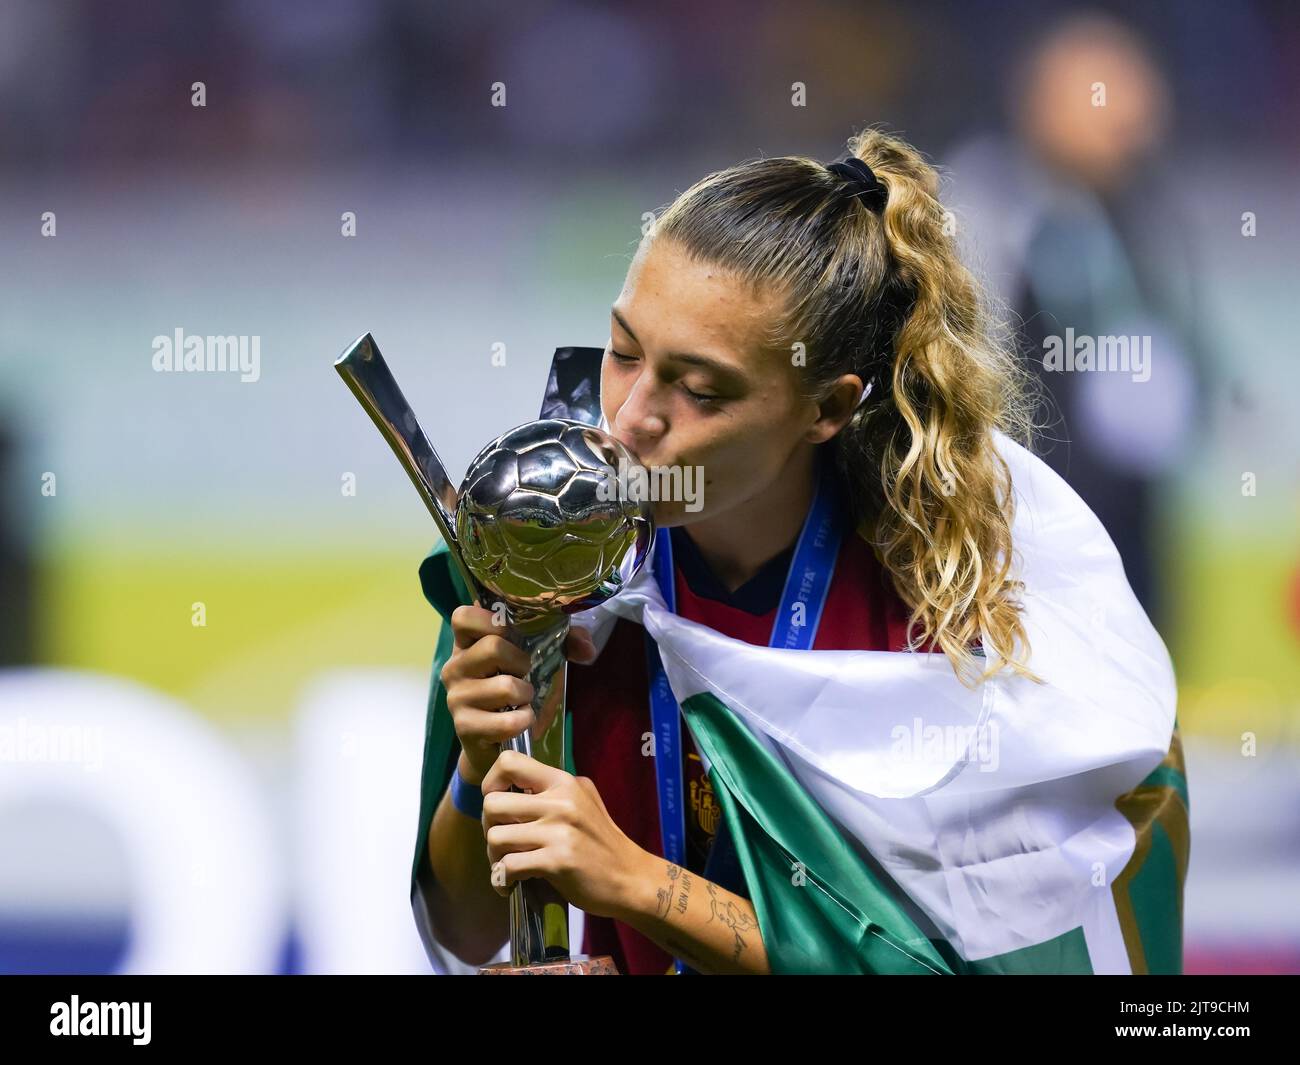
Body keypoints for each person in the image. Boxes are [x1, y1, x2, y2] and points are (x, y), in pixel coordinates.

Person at [409, 126, 1188, 975]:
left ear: (827, 406)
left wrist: (638, 885)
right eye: (624, 351)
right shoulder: (545, 548)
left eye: (701, 390)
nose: (630, 419)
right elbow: (465, 927)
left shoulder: (954, 607)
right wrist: (483, 763)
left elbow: (978, 967)